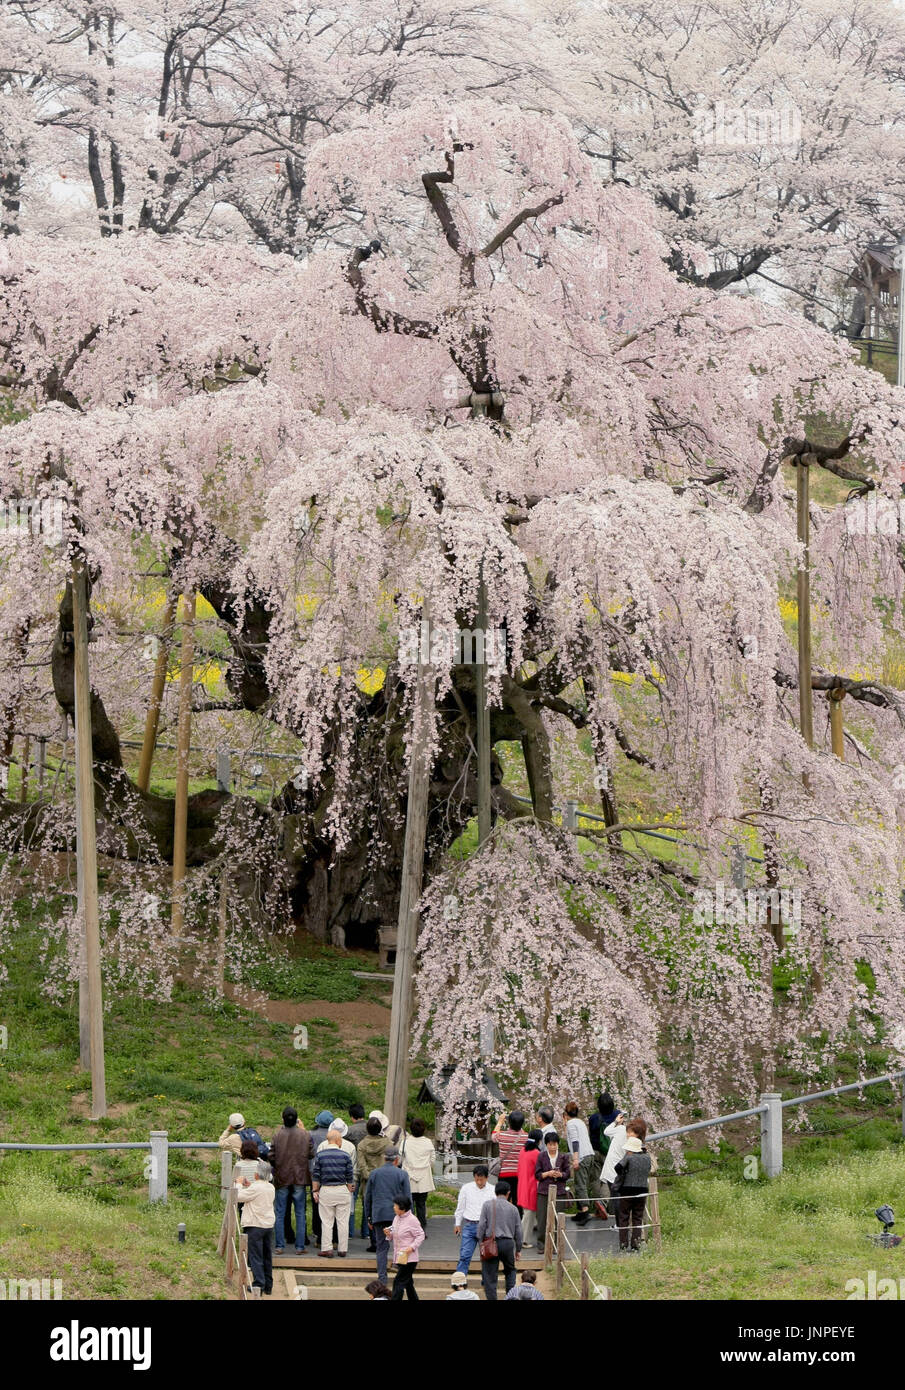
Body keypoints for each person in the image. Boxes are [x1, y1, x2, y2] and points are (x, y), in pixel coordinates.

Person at [364, 1147, 412, 1283]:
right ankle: (401, 1275)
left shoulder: (374, 1173)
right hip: (397, 1216)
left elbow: (368, 1197)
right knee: (401, 1245)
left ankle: (382, 1278)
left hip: (379, 1215)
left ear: (384, 1158)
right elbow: (408, 1197)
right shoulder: (402, 1174)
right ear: (396, 1159)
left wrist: (369, 1217)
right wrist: (410, 1216)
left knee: (381, 1247)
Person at [271, 1106, 311, 1255]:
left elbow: (271, 1155)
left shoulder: (277, 1135)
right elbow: (311, 1152)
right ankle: (300, 1247)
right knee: (300, 1212)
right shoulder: (305, 1135)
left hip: (282, 1177)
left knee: (280, 1212)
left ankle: (279, 1246)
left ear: (283, 1119)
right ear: (296, 1119)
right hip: (300, 1177)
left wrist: (278, 1165)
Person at [310, 1128, 355, 1258]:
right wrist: (349, 1188)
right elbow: (350, 1177)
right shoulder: (346, 1156)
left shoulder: (320, 1155)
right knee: (342, 1221)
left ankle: (327, 1249)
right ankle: (342, 1249)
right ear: (337, 1140)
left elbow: (316, 1175)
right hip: (342, 1189)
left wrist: (315, 1190)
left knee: (327, 1221)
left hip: (326, 1190)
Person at [235, 1158, 275, 1298]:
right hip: (268, 1225)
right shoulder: (270, 1186)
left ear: (256, 1174)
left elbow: (238, 1196)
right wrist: (248, 1185)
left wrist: (239, 1184)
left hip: (255, 1225)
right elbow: (256, 1192)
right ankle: (268, 1285)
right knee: (266, 1255)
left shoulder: (256, 1187)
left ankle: (258, 1284)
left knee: (255, 1255)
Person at [476, 1180, 522, 1301]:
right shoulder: (514, 1209)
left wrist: (481, 1243)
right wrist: (518, 1249)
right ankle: (510, 1297)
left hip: (491, 1243)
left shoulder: (487, 1205)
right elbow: (518, 1231)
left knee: (490, 1276)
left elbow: (481, 1226)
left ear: (495, 1192)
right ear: (508, 1193)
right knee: (510, 1270)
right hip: (508, 1244)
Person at [611, 1119, 652, 1253]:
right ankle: (635, 1244)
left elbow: (617, 1168)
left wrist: (626, 1171)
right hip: (642, 1191)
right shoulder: (647, 1157)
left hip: (627, 1190)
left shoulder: (629, 1157)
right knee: (637, 1218)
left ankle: (623, 1243)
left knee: (624, 1217)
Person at [453, 1164, 496, 1274]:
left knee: (487, 1256)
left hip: (486, 1227)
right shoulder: (466, 1188)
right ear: (474, 1177)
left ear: (487, 1178)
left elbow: (496, 1210)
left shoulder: (492, 1190)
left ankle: (486, 1281)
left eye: (481, 1180)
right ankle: (460, 1281)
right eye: (477, 1180)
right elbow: (460, 1207)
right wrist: (457, 1224)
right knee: (464, 1255)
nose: (479, 1182)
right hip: (470, 1225)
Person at [355, 1117, 390, 1249]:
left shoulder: (362, 1145)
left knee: (369, 1211)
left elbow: (362, 1166)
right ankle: (385, 1239)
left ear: (367, 1129)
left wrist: (370, 1176)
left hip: (368, 1183)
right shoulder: (388, 1143)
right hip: (385, 1182)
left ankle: (374, 1242)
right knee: (385, 1210)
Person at [563, 1101, 599, 1227]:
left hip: (582, 1156)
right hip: (589, 1154)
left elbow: (575, 1142)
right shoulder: (580, 1122)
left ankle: (585, 1211)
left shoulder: (571, 1124)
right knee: (581, 1183)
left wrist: (576, 1159)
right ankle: (580, 1211)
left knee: (580, 1184)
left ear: (566, 1114)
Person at [385, 1195, 425, 1301]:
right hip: (400, 1257)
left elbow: (421, 1235)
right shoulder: (396, 1218)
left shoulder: (412, 1220)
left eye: (395, 1205)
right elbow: (394, 1234)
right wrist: (389, 1234)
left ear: (401, 1207)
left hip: (409, 1258)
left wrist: (411, 1247)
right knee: (408, 1284)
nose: (393, 1207)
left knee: (398, 1282)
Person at [534, 1131, 570, 1245]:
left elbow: (567, 1174)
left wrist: (560, 1175)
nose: (553, 1147)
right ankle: (541, 1243)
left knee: (558, 1218)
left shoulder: (563, 1156)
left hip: (559, 1191)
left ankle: (556, 1243)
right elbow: (537, 1175)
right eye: (550, 1144)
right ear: (546, 1145)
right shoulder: (541, 1156)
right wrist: (548, 1173)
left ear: (558, 1144)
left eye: (555, 1144)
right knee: (542, 1218)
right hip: (544, 1191)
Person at [400, 1118, 435, 1232]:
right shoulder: (428, 1142)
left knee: (409, 1204)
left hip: (409, 1176)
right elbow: (432, 1160)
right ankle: (421, 1229)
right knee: (421, 1204)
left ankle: (410, 1228)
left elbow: (401, 1158)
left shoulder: (406, 1142)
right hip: (424, 1177)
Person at [491, 1110, 528, 1211]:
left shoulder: (502, 1136)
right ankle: (517, 1223)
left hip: (504, 1174)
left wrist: (500, 1121)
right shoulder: (526, 1137)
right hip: (519, 1175)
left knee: (503, 1203)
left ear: (509, 1122)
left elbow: (493, 1136)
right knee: (518, 1202)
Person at [307, 1110, 335, 1243]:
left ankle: (318, 1235)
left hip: (315, 1174)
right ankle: (333, 1238)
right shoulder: (335, 1136)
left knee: (316, 1204)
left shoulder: (311, 1134)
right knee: (332, 1206)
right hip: (331, 1173)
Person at [516, 1129, 542, 1248]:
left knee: (527, 1213)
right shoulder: (536, 1153)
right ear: (539, 1140)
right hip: (532, 1187)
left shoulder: (522, 1151)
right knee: (529, 1215)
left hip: (522, 1185)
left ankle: (523, 1237)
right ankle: (523, 1240)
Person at [346, 1104, 368, 1240]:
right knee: (367, 1200)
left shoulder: (349, 1131)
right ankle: (366, 1232)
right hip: (367, 1169)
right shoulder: (370, 1128)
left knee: (351, 1201)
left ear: (352, 1117)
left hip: (353, 1169)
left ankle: (349, 1232)